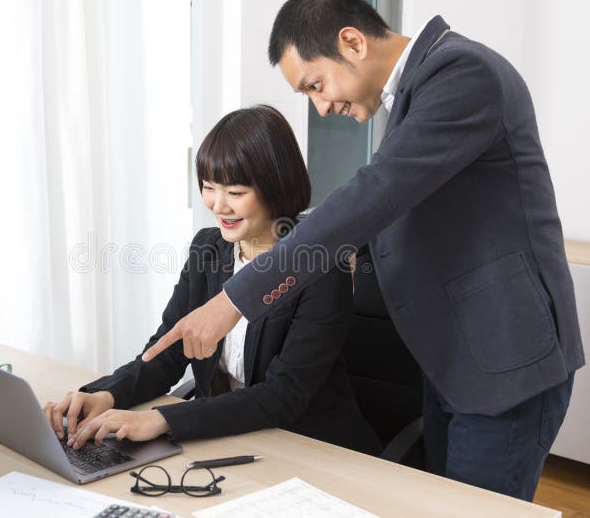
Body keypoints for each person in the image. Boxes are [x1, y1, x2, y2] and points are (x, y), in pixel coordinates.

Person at [142, 0, 585, 501]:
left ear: (352, 43)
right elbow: (396, 216)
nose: (322, 107)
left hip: (505, 358)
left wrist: (233, 300)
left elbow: (374, 196)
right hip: (454, 358)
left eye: (315, 85)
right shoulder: (410, 96)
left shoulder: (463, 74)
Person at [44, 104, 382, 456]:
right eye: (209, 187)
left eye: (235, 193)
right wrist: (107, 394)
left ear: (275, 186)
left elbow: (283, 396)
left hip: (313, 450)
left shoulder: (320, 264)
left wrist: (162, 419)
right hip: (233, 440)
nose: (219, 205)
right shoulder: (208, 248)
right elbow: (168, 351)